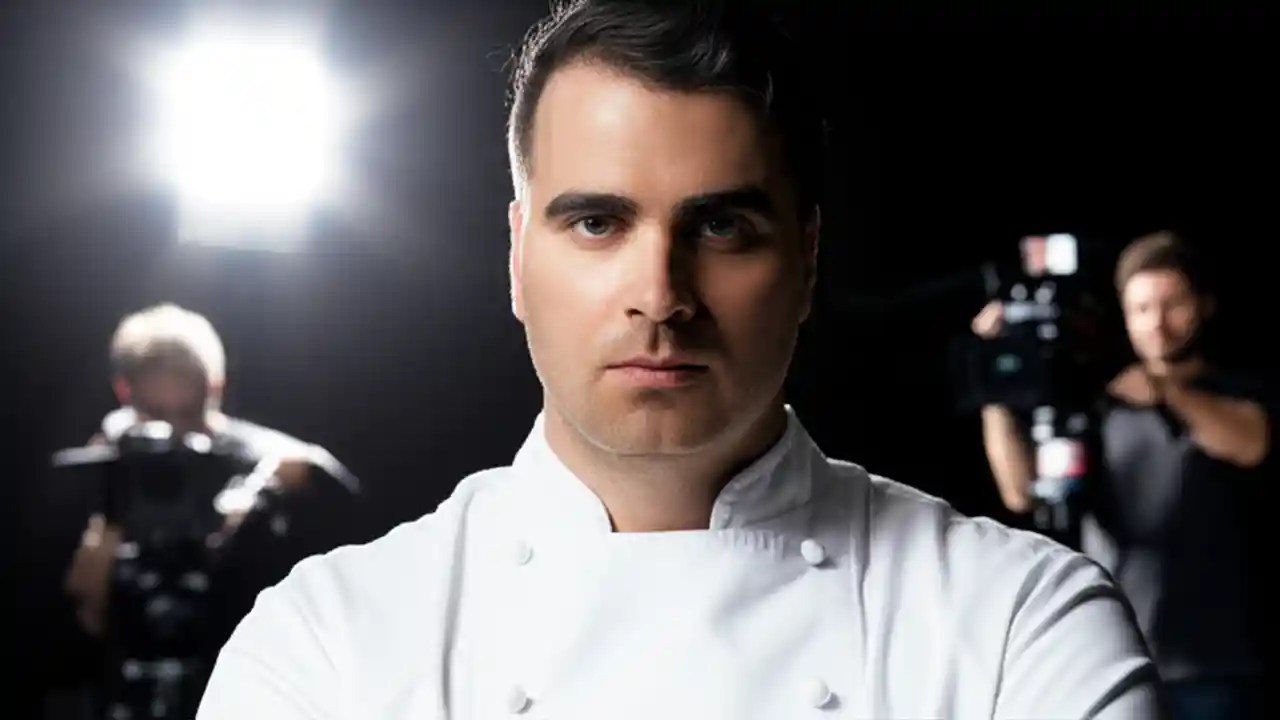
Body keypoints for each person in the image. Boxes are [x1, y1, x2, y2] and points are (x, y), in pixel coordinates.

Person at [198, 2, 1162, 717]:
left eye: (722, 226)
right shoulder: (326, 642)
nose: (661, 295)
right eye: (597, 222)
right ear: (517, 257)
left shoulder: (1019, 620)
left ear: (808, 261)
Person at [975, 230, 1273, 718]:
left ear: (1204, 304)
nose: (1157, 322)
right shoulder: (1101, 408)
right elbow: (1021, 492)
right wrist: (995, 390)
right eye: (1141, 308)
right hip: (1118, 656)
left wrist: (1164, 391)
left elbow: (1250, 442)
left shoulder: (1233, 390)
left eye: (1172, 304)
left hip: (1219, 665)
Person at [31, 302, 362, 719]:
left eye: (190, 414)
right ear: (125, 391)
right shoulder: (95, 476)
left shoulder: (258, 461)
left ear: (215, 387)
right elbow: (56, 640)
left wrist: (270, 496)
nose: (177, 433)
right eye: (157, 415)